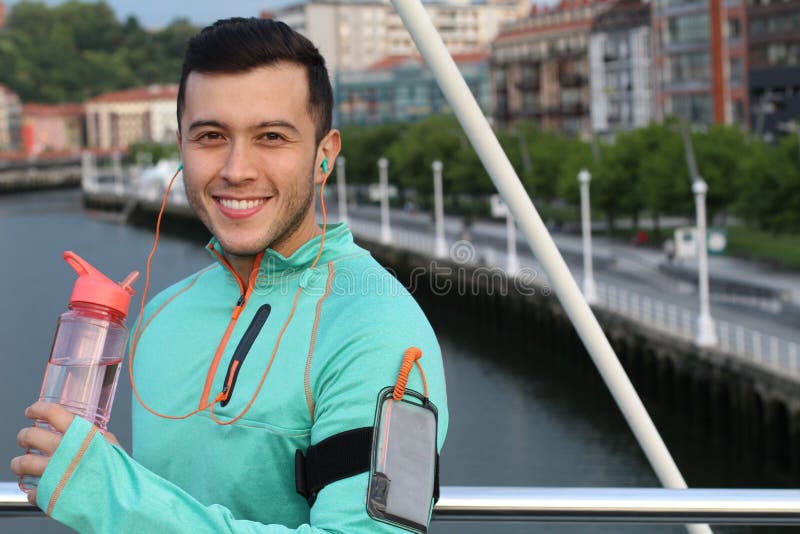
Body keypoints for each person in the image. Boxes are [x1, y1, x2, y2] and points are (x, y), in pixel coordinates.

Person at [12, 17, 448, 532]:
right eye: (211, 136)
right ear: (181, 145)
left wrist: (114, 497)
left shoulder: (379, 329)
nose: (237, 169)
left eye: (271, 136)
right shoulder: (161, 315)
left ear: (324, 156)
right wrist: (114, 477)